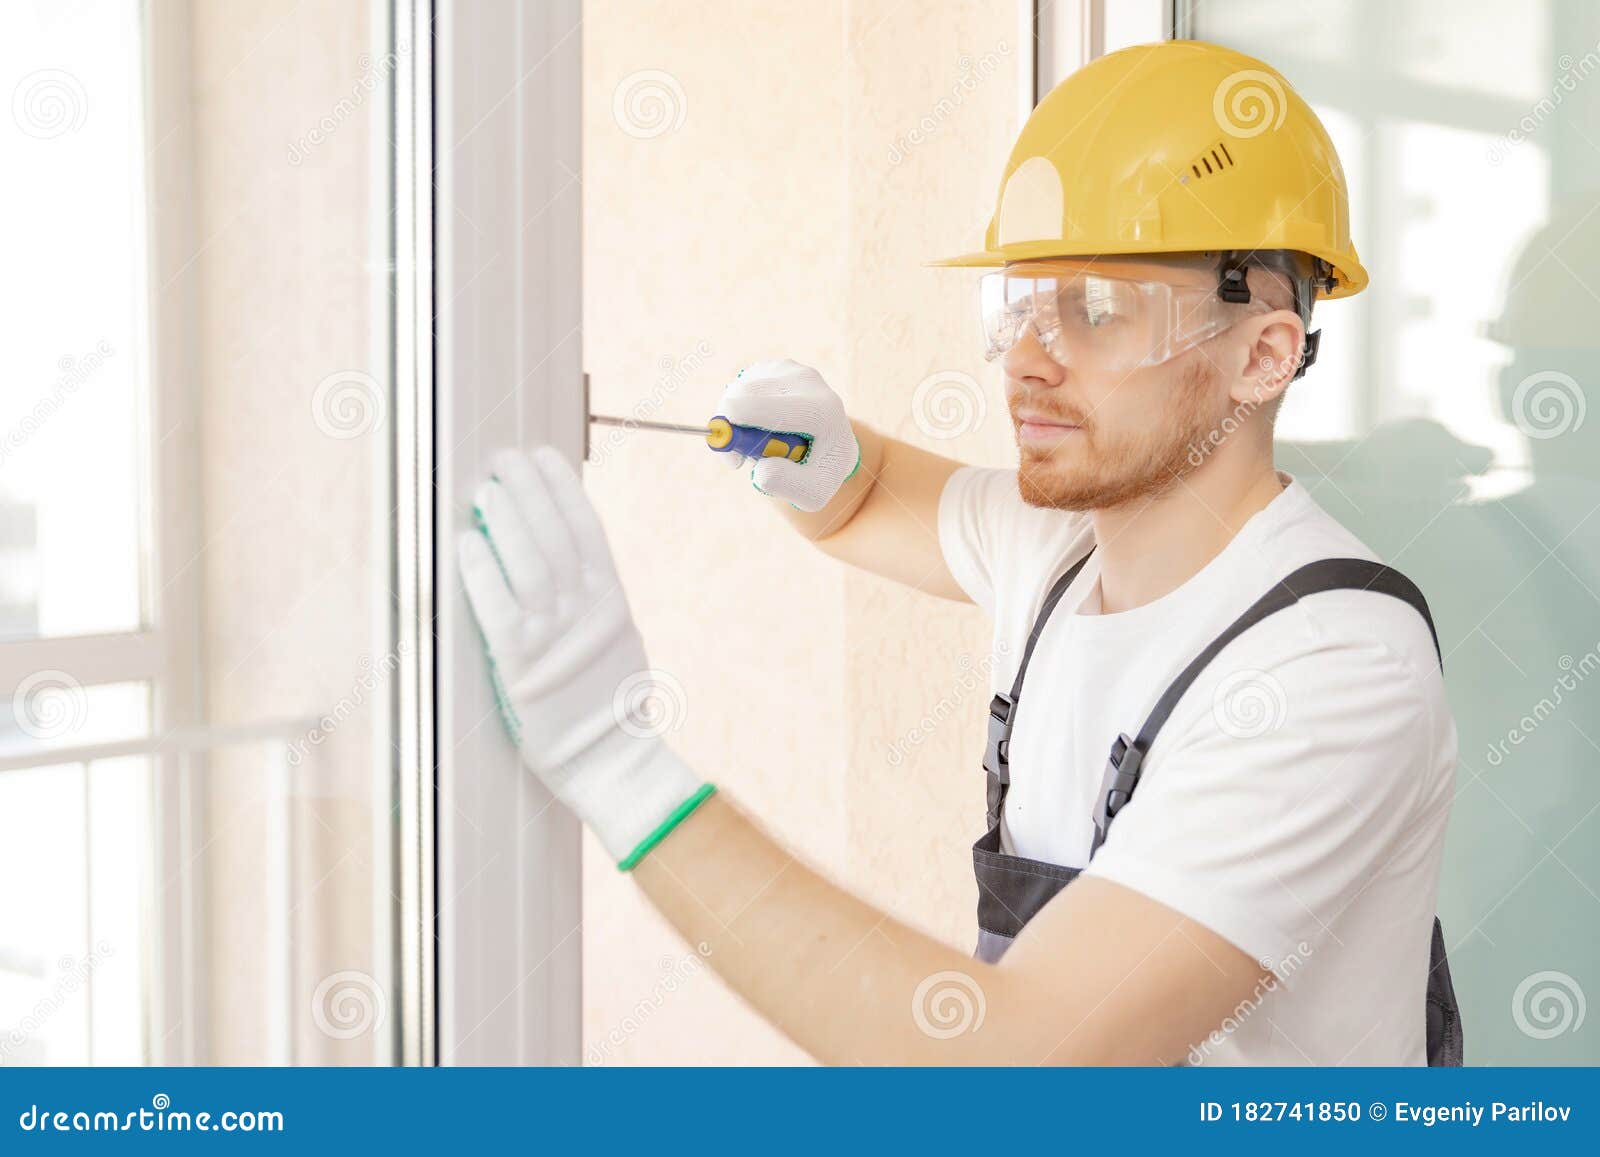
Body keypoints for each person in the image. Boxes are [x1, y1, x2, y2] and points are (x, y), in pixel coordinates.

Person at [458, 40, 1461, 1065]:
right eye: (1020, 306)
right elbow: (861, 498)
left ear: (1263, 355)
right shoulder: (1057, 548)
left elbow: (1022, 1057)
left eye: (1097, 310)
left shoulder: (1336, 667)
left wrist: (615, 765)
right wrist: (814, 457)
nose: (1025, 361)